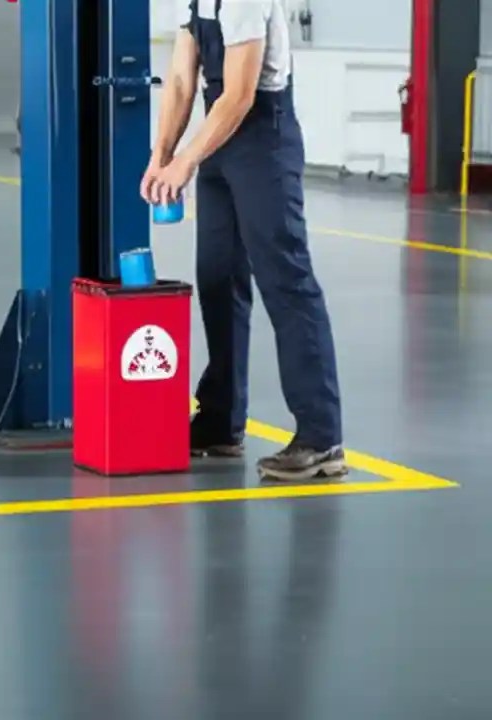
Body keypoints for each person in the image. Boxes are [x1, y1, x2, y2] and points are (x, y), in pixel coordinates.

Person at [140, 0, 345, 481]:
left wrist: (186, 161)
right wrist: (161, 155)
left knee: (286, 281)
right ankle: (220, 421)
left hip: (262, 138)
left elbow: (239, 95)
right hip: (219, 140)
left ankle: (321, 438)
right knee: (217, 277)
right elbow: (181, 80)